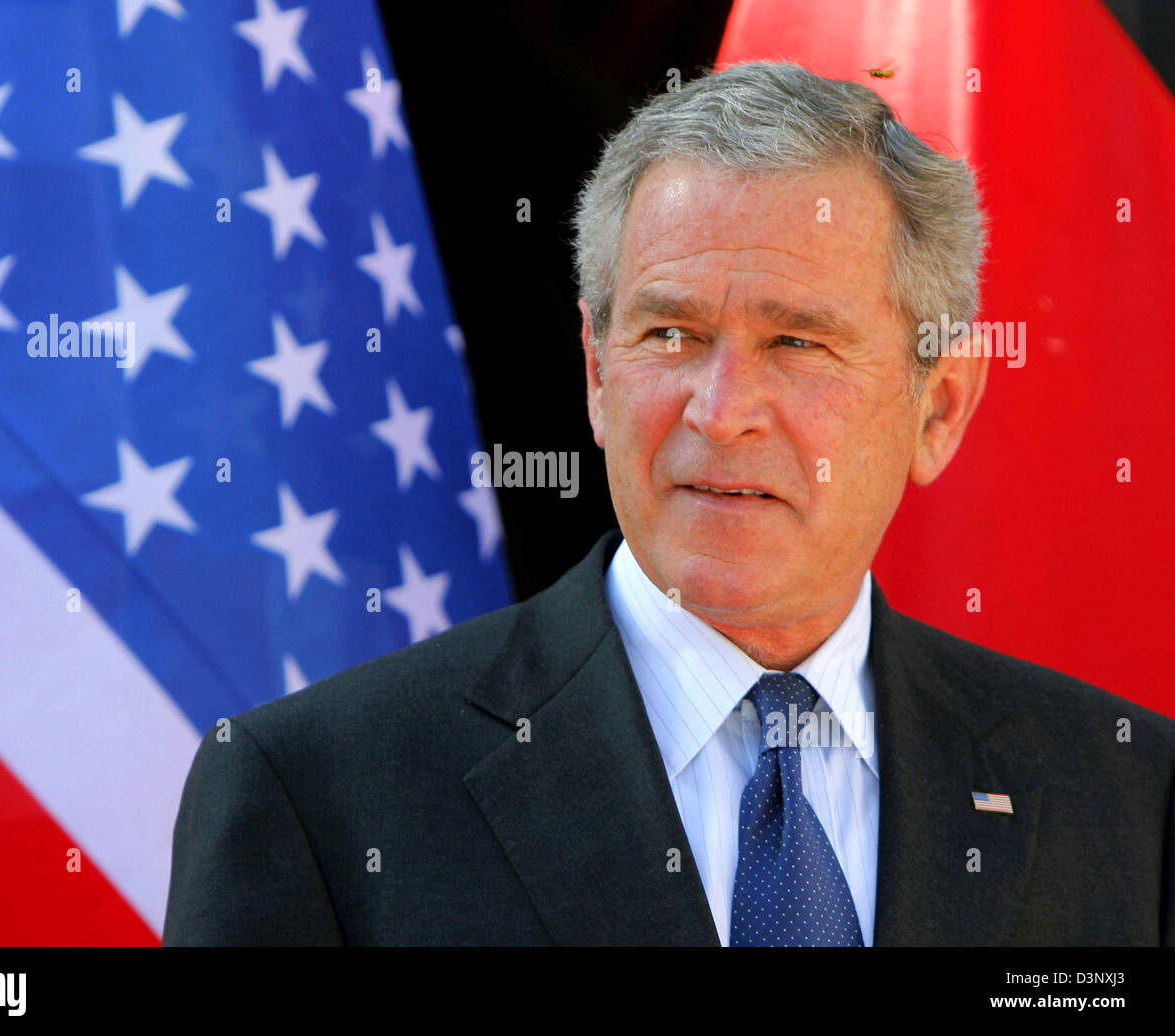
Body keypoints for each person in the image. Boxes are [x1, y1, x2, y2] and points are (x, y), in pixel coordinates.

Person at [163, 61, 1175, 946]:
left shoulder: (1130, 794)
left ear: (938, 407)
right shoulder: (316, 797)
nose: (721, 409)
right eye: (670, 334)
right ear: (596, 371)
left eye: (798, 343)